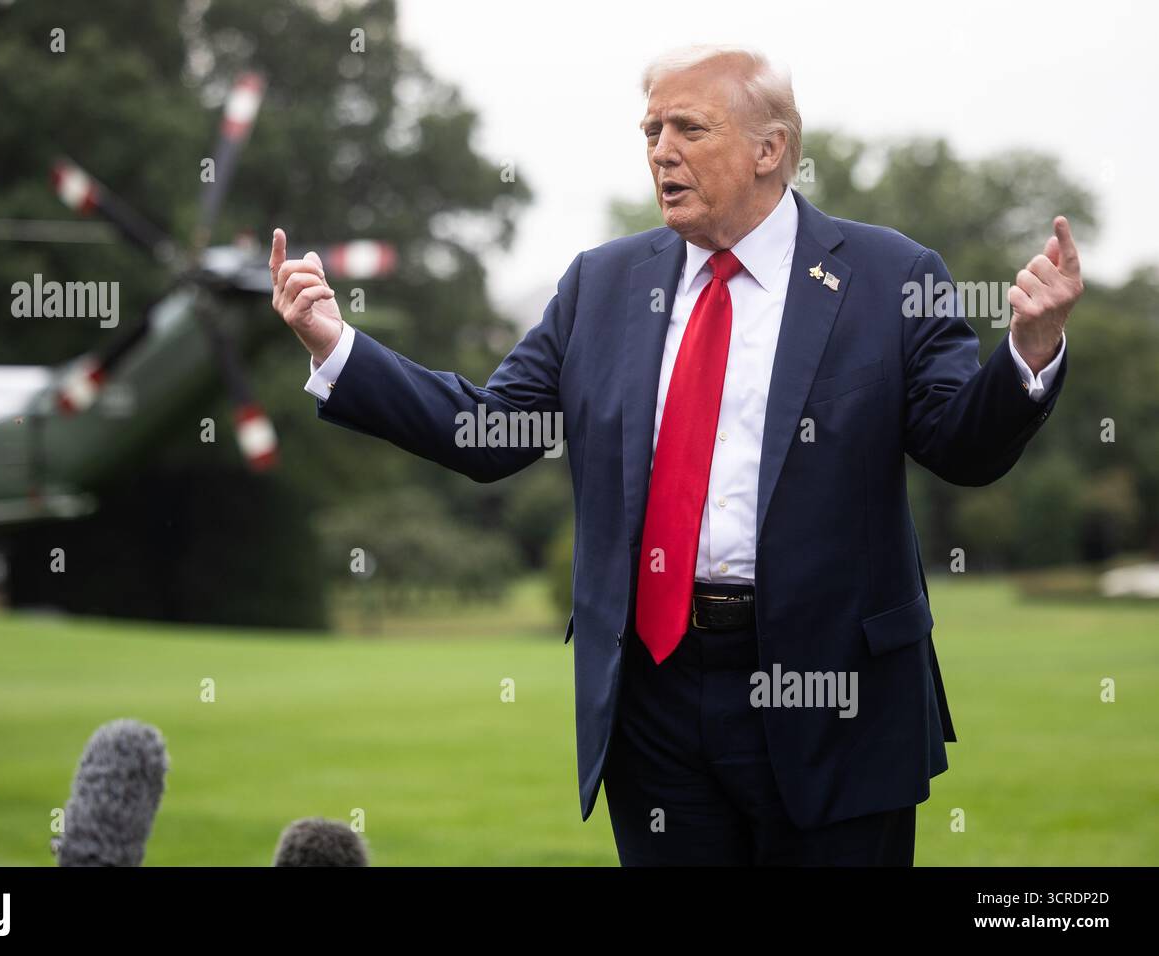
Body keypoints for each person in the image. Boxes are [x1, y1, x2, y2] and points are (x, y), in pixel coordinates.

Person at [269, 44, 1082, 865]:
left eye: (689, 127)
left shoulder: (890, 275)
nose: (662, 149)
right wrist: (336, 346)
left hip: (834, 696)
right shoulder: (602, 283)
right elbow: (488, 431)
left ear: (771, 149)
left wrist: (1029, 352)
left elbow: (961, 448)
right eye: (652, 128)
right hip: (653, 699)